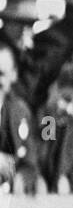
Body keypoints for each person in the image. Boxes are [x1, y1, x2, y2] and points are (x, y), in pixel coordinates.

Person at [0, 35, 38, 188]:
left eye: (1, 74)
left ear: (14, 74)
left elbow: (30, 166)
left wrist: (14, 178)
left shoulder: (18, 111)